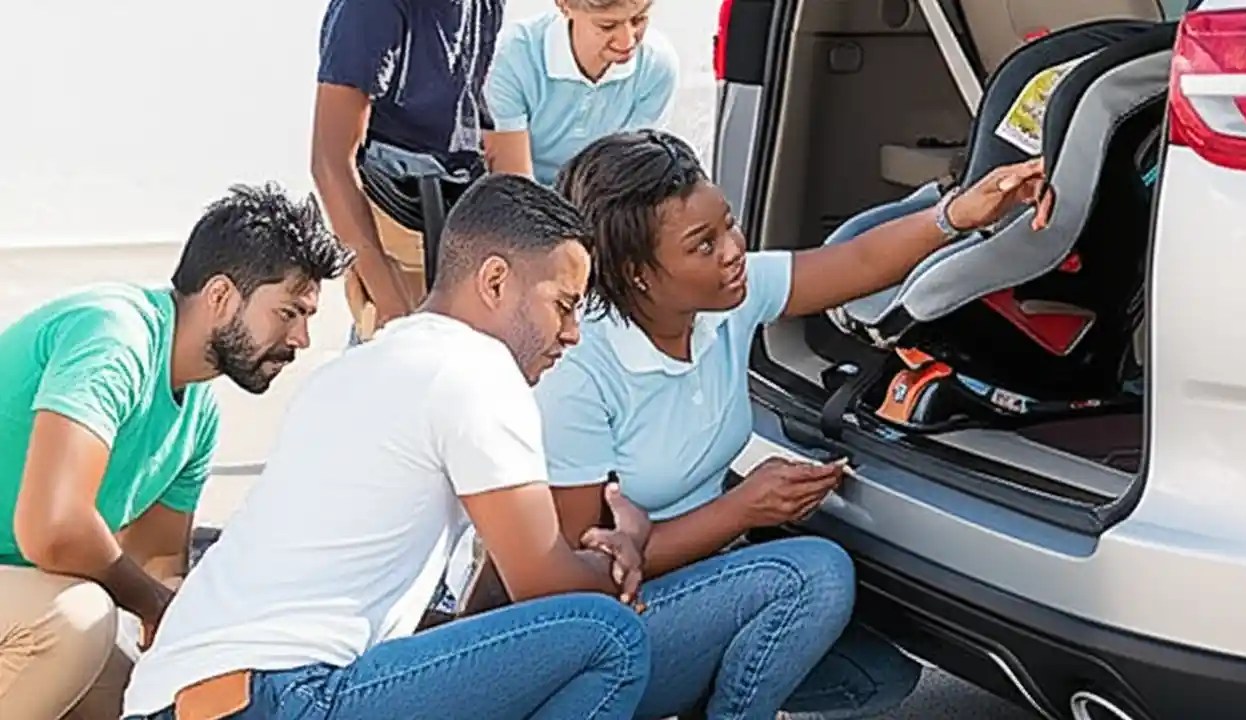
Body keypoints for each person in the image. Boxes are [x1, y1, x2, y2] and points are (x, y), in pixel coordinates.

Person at [536, 130, 1053, 719]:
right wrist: (743, 510)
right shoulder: (580, 371)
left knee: (874, 676)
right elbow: (574, 580)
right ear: (637, 274)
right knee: (816, 575)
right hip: (606, 630)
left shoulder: (722, 301)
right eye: (703, 245)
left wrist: (961, 213)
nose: (733, 250)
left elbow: (855, 262)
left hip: (695, 577)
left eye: (728, 224)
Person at [122, 174, 653, 720]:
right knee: (608, 636)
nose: (572, 333)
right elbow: (544, 584)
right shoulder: (476, 367)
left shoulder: (350, 369)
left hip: (173, 698)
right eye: (563, 305)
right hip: (280, 693)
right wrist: (624, 553)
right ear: (495, 281)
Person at [0, 184, 353, 720]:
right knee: (75, 624)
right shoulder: (116, 336)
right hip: (39, 612)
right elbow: (54, 527)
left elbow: (156, 572)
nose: (302, 338)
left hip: (18, 600)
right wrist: (154, 603)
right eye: (288, 312)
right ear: (219, 296)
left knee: (141, 699)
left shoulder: (199, 415)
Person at [311, 0, 506, 344]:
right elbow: (330, 161)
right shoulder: (369, 9)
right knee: (389, 374)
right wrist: (389, 300)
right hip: (396, 217)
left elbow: (477, 118)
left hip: (463, 216)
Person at [483, 0, 678, 186]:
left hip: (600, 199)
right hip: (524, 200)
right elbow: (512, 182)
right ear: (565, 5)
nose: (627, 40)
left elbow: (630, 174)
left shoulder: (657, 65)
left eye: (639, 19)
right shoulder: (512, 56)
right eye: (607, 26)